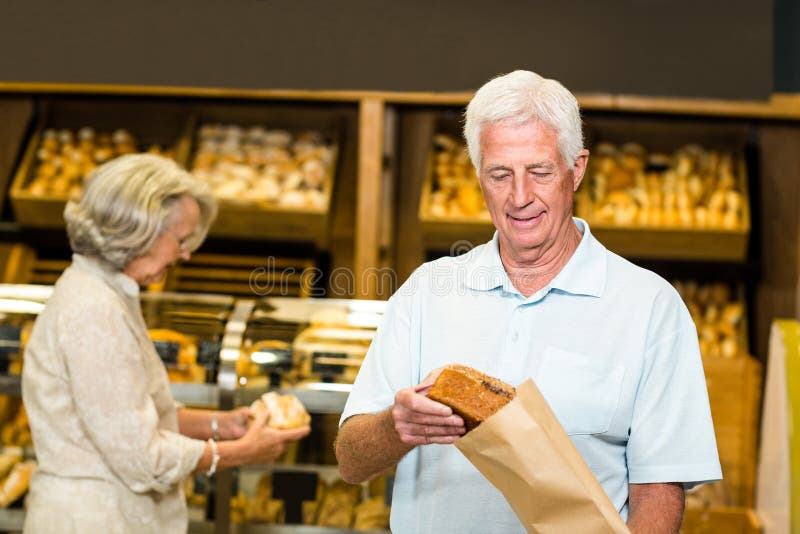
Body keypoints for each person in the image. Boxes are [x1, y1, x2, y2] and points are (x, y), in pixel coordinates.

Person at [335, 70, 721, 533]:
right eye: (500, 175)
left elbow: (658, 488)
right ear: (479, 176)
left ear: (575, 169)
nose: (520, 197)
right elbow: (350, 461)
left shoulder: (650, 306)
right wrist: (397, 426)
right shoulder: (425, 292)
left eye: (539, 171)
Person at [21, 154, 310, 533]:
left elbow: (128, 415)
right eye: (180, 238)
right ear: (138, 231)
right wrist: (240, 453)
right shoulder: (93, 311)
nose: (186, 253)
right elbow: (141, 457)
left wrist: (221, 424)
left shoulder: (107, 293)